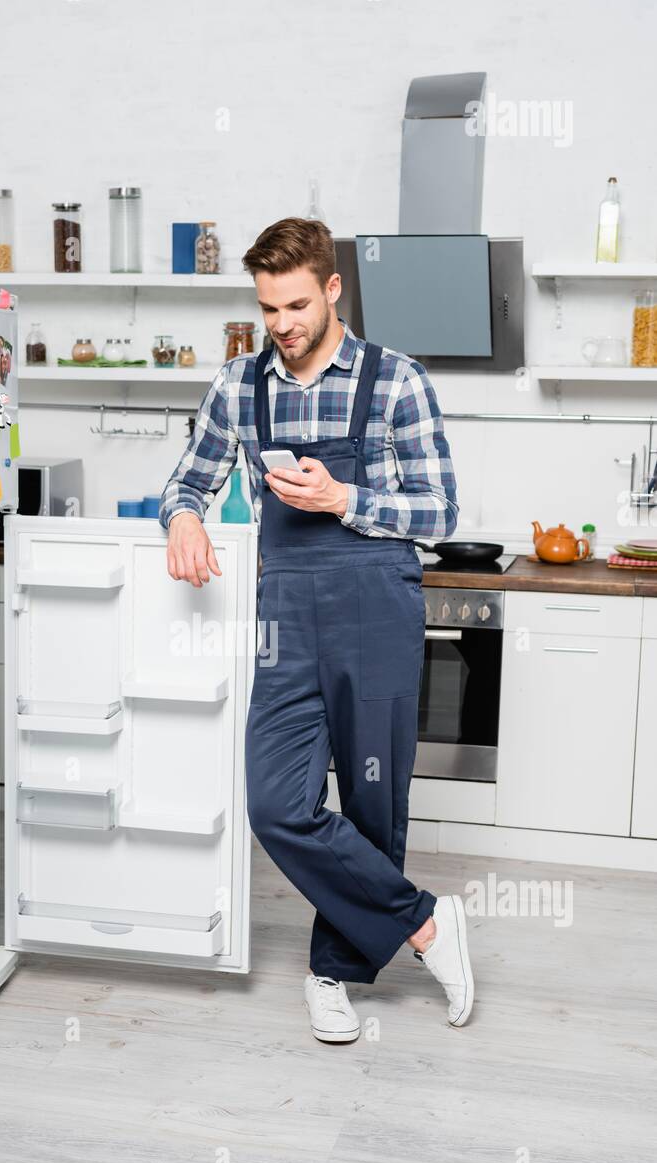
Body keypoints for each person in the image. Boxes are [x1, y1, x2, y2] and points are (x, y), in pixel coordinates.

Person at [159, 218, 474, 1044]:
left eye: (295, 306)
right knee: (275, 804)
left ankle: (332, 972)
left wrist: (343, 500)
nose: (282, 326)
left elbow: (440, 513)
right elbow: (186, 478)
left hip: (376, 605)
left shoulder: (395, 380)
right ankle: (425, 923)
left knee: (373, 803)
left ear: (332, 290)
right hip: (285, 618)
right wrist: (183, 518)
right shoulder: (239, 385)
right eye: (267, 309)